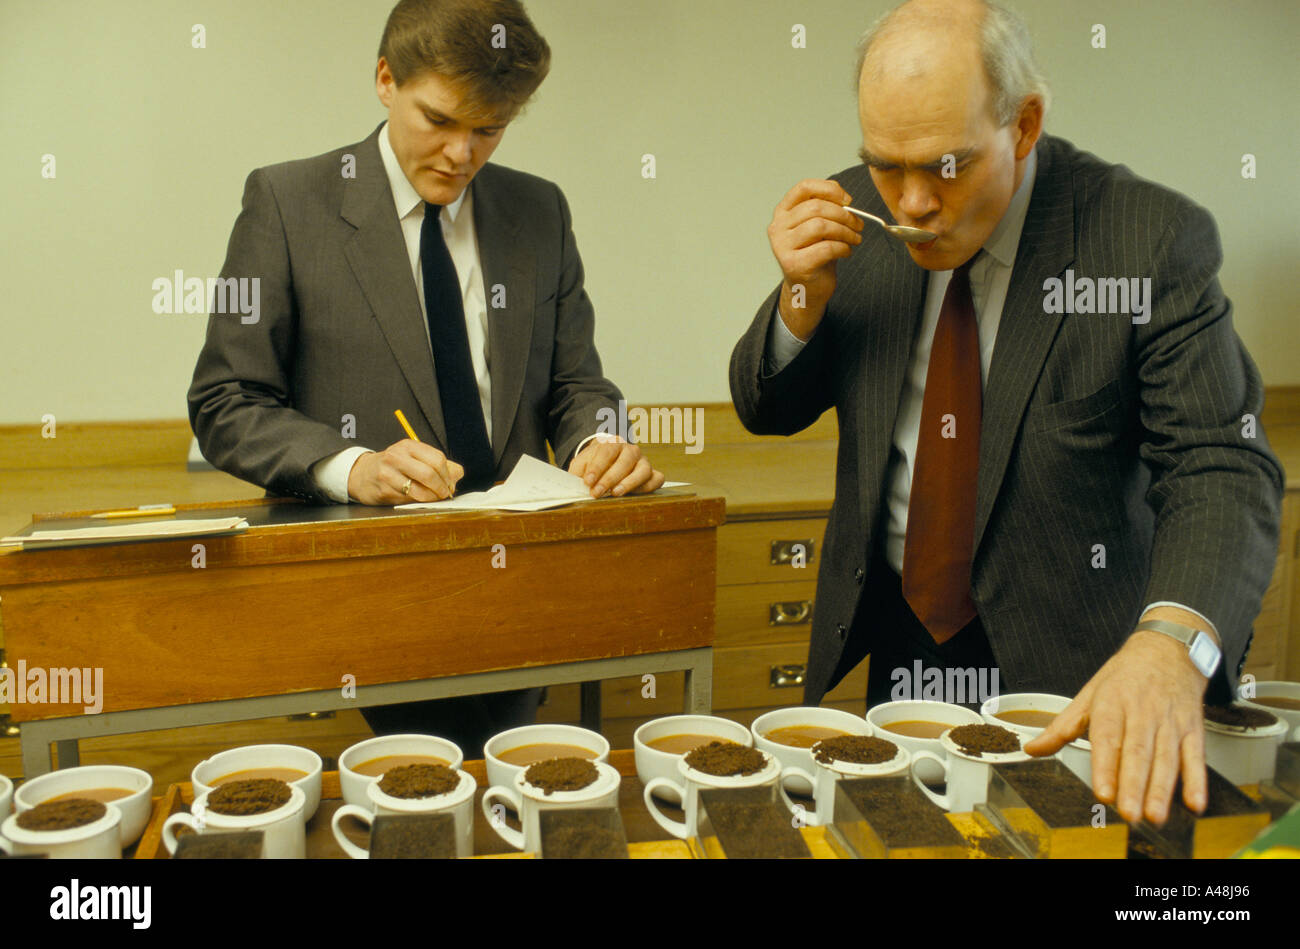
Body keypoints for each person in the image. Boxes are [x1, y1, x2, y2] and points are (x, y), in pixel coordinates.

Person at [728, 0, 1283, 825]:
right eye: (885, 164)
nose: (910, 204)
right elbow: (766, 409)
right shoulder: (855, 215)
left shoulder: (1146, 240)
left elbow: (1221, 465)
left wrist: (1173, 642)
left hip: (1084, 673)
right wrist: (799, 300)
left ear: (1023, 125)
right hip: (903, 646)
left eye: (945, 166)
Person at [188, 0, 662, 756]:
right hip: (366, 596)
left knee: (504, 793)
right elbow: (225, 400)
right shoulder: (286, 202)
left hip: (524, 589)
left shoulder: (539, 210)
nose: (461, 154)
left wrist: (598, 443)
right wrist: (357, 467)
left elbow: (576, 383)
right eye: (439, 120)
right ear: (384, 79)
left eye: (490, 128)